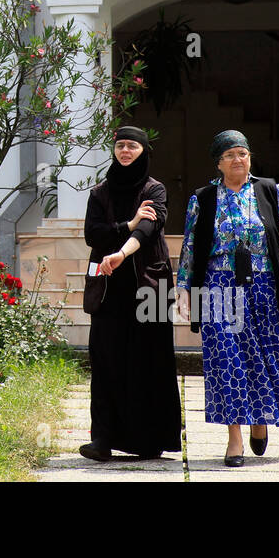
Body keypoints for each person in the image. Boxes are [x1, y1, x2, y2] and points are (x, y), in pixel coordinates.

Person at [177, 129, 279, 467]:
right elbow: (190, 247)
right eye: (230, 155)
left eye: (243, 153)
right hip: (217, 284)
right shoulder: (203, 197)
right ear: (219, 163)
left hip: (263, 284)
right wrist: (183, 290)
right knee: (225, 360)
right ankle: (234, 437)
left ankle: (261, 417)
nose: (238, 160)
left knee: (263, 355)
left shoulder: (269, 190)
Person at [79, 125, 182, 461]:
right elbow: (93, 235)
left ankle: (148, 441)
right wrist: (126, 224)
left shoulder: (155, 189)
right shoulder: (99, 193)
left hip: (148, 288)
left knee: (148, 361)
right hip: (109, 291)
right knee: (106, 360)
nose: (125, 151)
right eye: (120, 145)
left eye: (132, 146)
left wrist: (121, 251)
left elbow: (150, 228)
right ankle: (102, 440)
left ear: (143, 151)